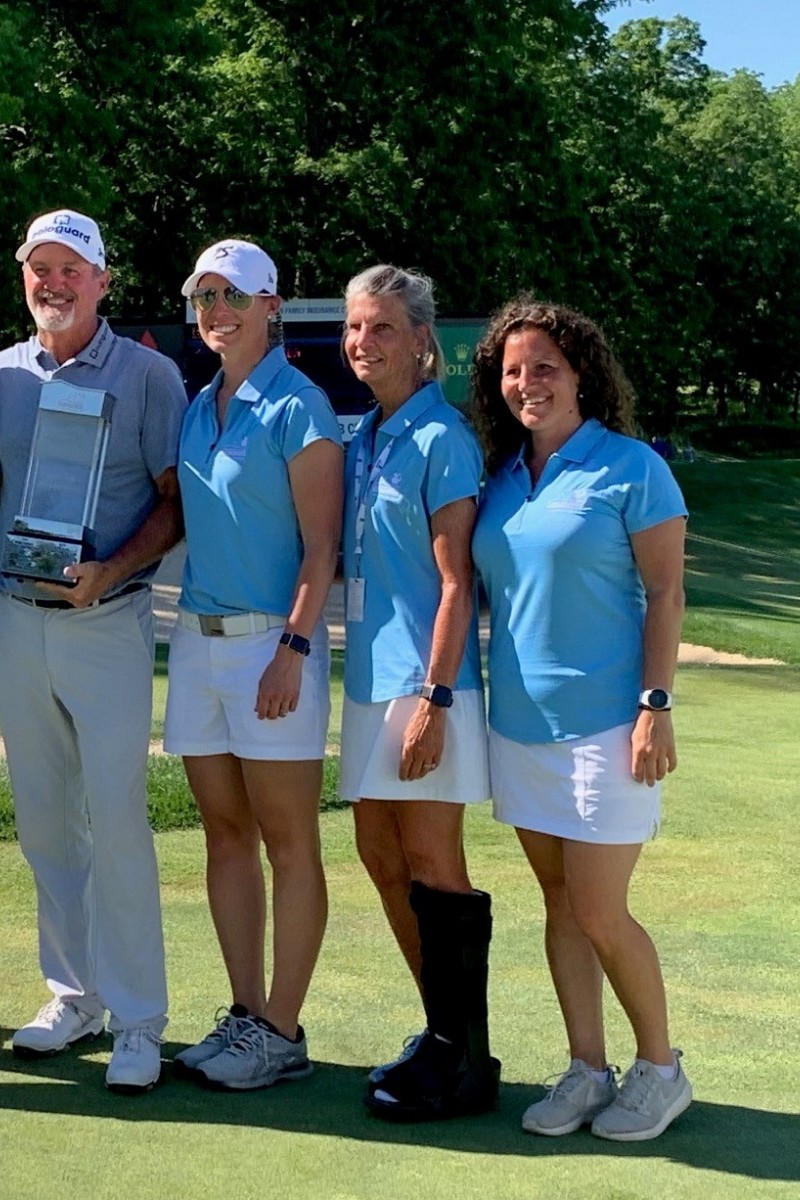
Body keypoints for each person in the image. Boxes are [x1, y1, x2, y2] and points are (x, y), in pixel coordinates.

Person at [469, 297, 692, 1142]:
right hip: (520, 726)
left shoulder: (632, 467)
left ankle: (661, 1070)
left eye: (546, 368)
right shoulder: (500, 480)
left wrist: (655, 704)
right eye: (513, 370)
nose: (528, 383)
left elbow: (667, 592)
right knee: (560, 907)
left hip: (608, 723)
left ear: (583, 377)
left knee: (600, 911)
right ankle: (587, 1070)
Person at [0, 210, 187, 1093]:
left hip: (108, 620)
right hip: (17, 617)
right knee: (44, 821)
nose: (54, 284)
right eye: (40, 269)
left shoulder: (149, 375)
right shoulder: (1, 372)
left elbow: (176, 503)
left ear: (103, 281)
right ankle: (74, 995)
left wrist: (109, 572)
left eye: (72, 270)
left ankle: (140, 1017)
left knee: (117, 821)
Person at [164, 239, 343, 1090]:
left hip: (276, 646)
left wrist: (295, 651)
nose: (217, 311)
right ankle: (244, 1014)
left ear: (272, 306)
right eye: (205, 296)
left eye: (234, 295)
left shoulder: (299, 406)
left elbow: (322, 549)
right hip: (197, 645)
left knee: (287, 840)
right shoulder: (201, 405)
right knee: (225, 834)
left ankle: (283, 1026)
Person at [336, 266, 498, 1121]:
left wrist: (435, 697)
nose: (363, 342)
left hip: (425, 684)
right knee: (379, 855)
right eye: (356, 327)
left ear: (422, 340)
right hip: (368, 679)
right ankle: (444, 1032)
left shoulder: (443, 438)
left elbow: (453, 584)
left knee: (435, 864)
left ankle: (466, 1058)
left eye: (383, 328)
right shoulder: (366, 434)